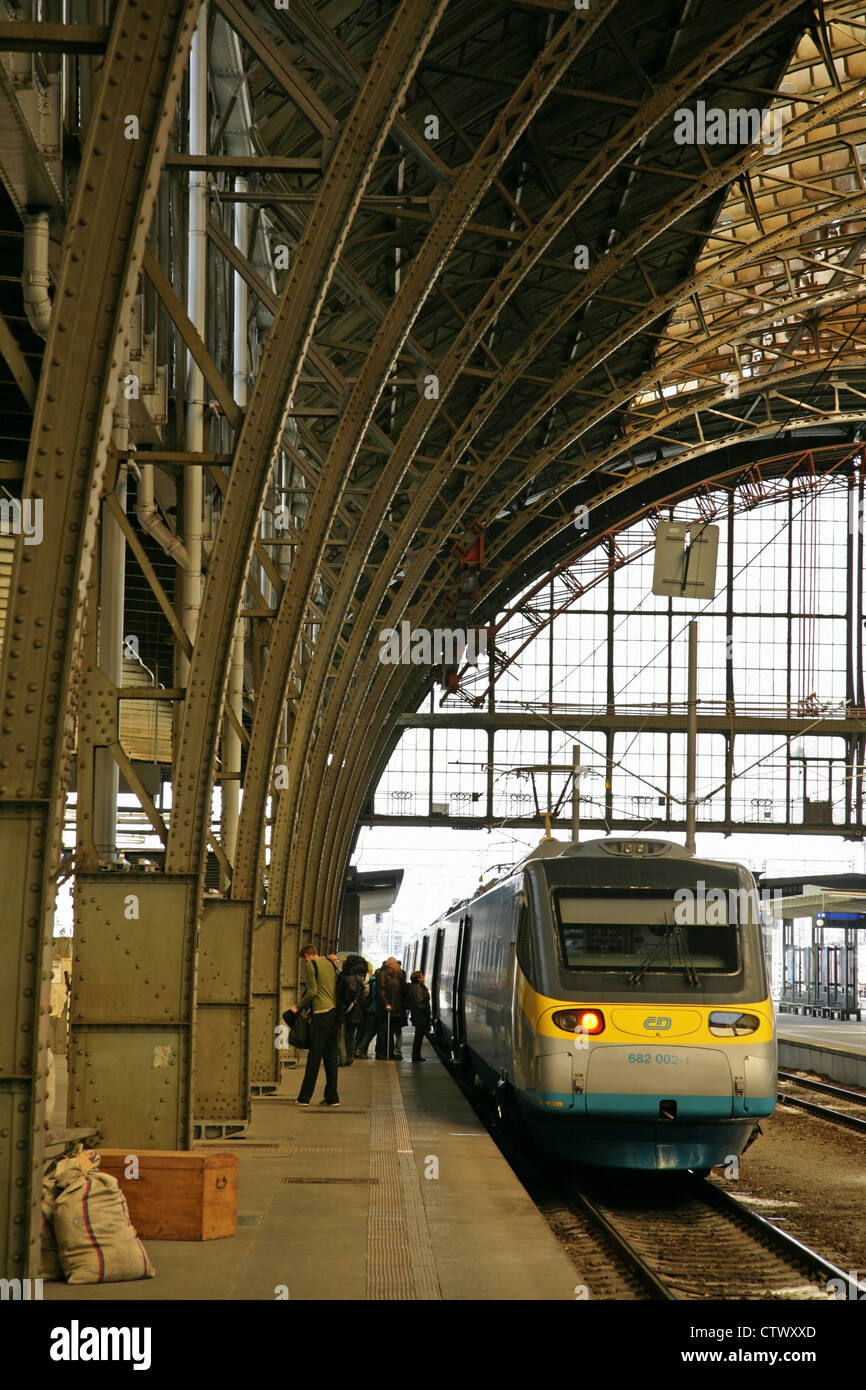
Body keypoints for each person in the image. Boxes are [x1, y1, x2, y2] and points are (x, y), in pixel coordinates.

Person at [288, 945, 340, 1106]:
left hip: (321, 1014)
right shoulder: (329, 963)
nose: (304, 963)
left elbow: (312, 991)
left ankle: (304, 1098)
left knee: (314, 1058)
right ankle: (332, 1097)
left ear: (306, 956)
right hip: (333, 1013)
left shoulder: (312, 965)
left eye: (303, 960)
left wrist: (297, 1007)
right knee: (331, 1057)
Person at [337, 953, 368, 1066]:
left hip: (344, 1010)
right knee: (351, 1035)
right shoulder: (360, 977)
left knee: (341, 1036)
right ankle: (349, 1057)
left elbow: (342, 994)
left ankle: (342, 1059)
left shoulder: (346, 977)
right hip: (356, 1011)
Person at [375, 957, 407, 1059]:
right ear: (391, 965)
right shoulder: (383, 974)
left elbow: (399, 990)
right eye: (396, 964)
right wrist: (386, 1004)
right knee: (383, 1032)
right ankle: (380, 1053)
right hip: (385, 1009)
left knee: (390, 1032)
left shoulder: (395, 976)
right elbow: (381, 990)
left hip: (395, 1009)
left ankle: (389, 1052)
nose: (398, 966)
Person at [354, 965, 377, 1058]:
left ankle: (357, 1049)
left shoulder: (361, 979)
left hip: (362, 1008)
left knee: (361, 1030)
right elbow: (367, 995)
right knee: (368, 1030)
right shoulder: (370, 979)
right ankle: (360, 1049)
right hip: (367, 1008)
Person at [409, 971, 431, 1062]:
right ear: (418, 978)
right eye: (422, 976)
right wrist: (426, 1008)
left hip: (418, 1015)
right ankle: (416, 1056)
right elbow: (420, 1002)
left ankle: (416, 1055)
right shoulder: (418, 988)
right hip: (420, 1015)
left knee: (419, 1036)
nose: (423, 977)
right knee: (418, 1037)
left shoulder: (416, 987)